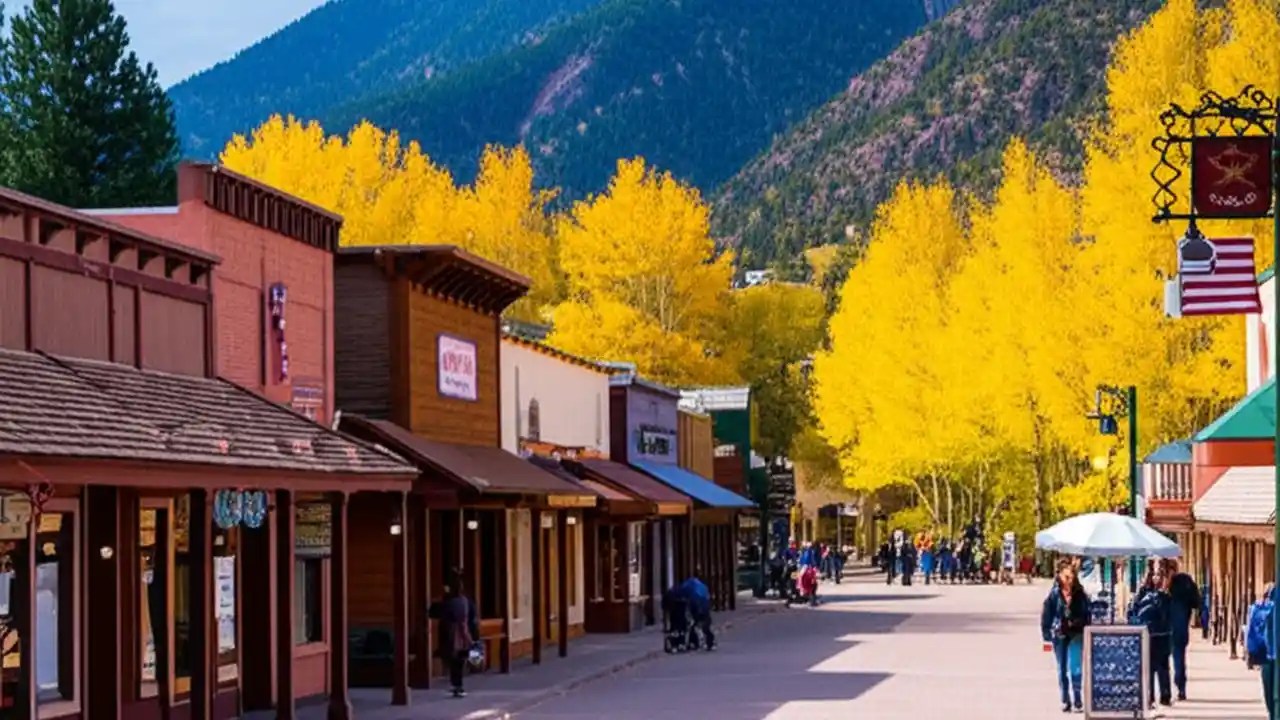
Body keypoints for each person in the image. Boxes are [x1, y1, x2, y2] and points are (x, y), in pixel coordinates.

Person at [1041, 559, 1091, 713]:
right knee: (1062, 669)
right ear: (1060, 577)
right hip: (1059, 634)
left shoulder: (1080, 594)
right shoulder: (1054, 594)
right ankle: (1065, 700)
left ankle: (1077, 699)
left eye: (1071, 577)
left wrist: (1078, 622)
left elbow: (1086, 614)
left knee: (1075, 668)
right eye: (1066, 577)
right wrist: (1047, 636)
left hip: (1076, 633)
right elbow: (1046, 615)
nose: (1069, 581)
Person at [428, 570, 480, 698]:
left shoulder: (448, 602)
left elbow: (434, 612)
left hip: (452, 635)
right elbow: (473, 617)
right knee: (460, 661)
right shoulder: (466, 601)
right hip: (464, 634)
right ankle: (459, 685)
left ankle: (456, 685)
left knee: (454, 661)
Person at [1131, 562, 1173, 708]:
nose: (1156, 578)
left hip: (1162, 635)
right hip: (1147, 634)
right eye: (1154, 574)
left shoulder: (1167, 596)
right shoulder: (1142, 593)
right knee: (1148, 667)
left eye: (1159, 575)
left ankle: (1165, 695)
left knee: (1163, 667)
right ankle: (1149, 696)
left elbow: (1168, 615)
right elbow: (1133, 611)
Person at [1165, 558, 1202, 701]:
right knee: (1178, 658)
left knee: (1164, 662)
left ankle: (1171, 689)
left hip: (1167, 629)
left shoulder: (1170, 586)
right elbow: (1196, 602)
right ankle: (1180, 687)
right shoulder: (1186, 581)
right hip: (1180, 628)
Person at [1246, 584, 1276, 718]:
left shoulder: (1257, 609)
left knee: (1268, 688)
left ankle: (1272, 713)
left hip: (1265, 654)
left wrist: (1250, 655)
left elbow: (1250, 633)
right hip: (1272, 651)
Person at [679, 570, 716, 649]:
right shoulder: (703, 586)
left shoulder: (688, 584)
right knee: (705, 624)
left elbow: (682, 594)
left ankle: (693, 642)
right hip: (704, 605)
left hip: (695, 604)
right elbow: (707, 597)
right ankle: (710, 642)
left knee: (694, 623)